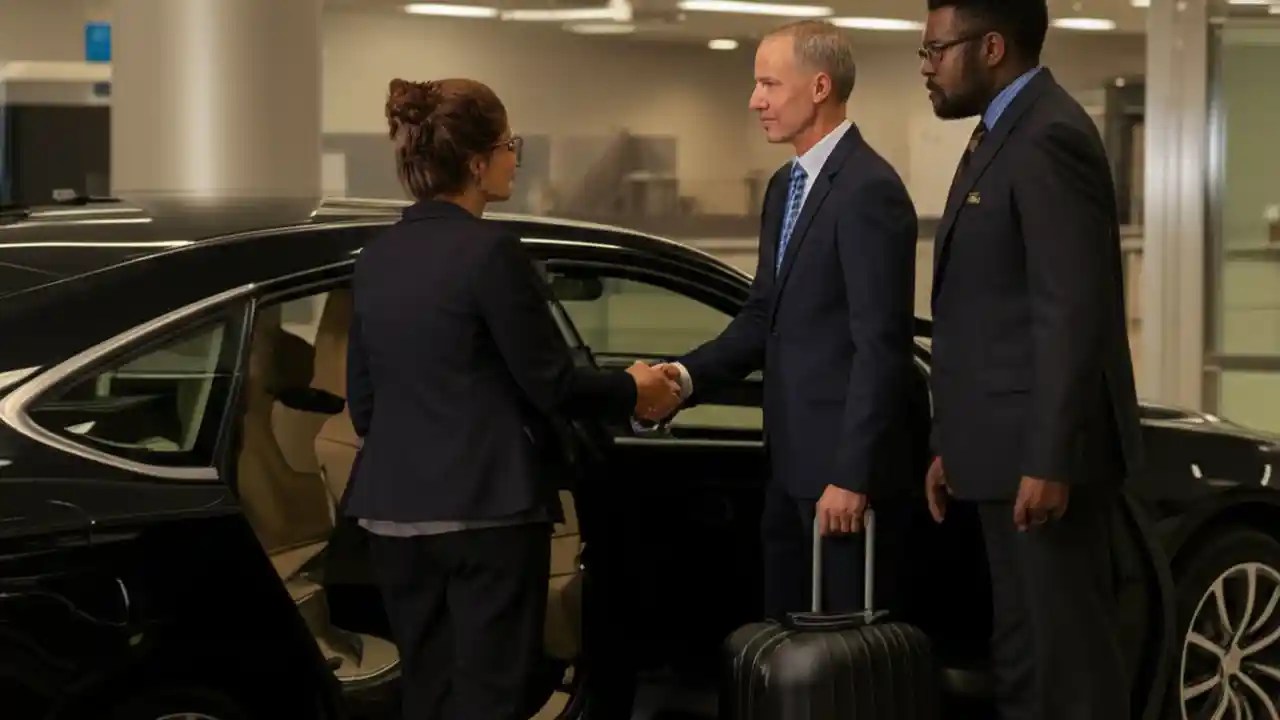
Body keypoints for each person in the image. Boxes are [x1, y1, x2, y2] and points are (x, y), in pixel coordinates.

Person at [343, 77, 682, 720]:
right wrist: (632, 387)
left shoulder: (377, 256)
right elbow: (549, 380)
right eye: (508, 144)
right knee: (491, 695)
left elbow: (364, 403)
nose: (514, 159)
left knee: (428, 689)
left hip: (392, 518)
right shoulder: (491, 250)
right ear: (477, 162)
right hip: (484, 513)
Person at [919, 2, 1144, 719]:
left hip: (1044, 467)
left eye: (936, 50)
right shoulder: (999, 136)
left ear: (991, 47)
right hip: (998, 456)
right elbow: (990, 316)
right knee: (1023, 665)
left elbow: (1070, 312)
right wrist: (953, 442)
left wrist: (1049, 459)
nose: (926, 66)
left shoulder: (1049, 135)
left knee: (1068, 669)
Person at [658, 19, 919, 622]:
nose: (756, 101)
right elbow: (761, 318)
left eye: (769, 85)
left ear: (820, 86)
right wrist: (682, 379)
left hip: (841, 486)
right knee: (787, 652)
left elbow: (881, 348)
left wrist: (852, 477)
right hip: (787, 469)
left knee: (842, 667)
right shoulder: (786, 186)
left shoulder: (868, 190)